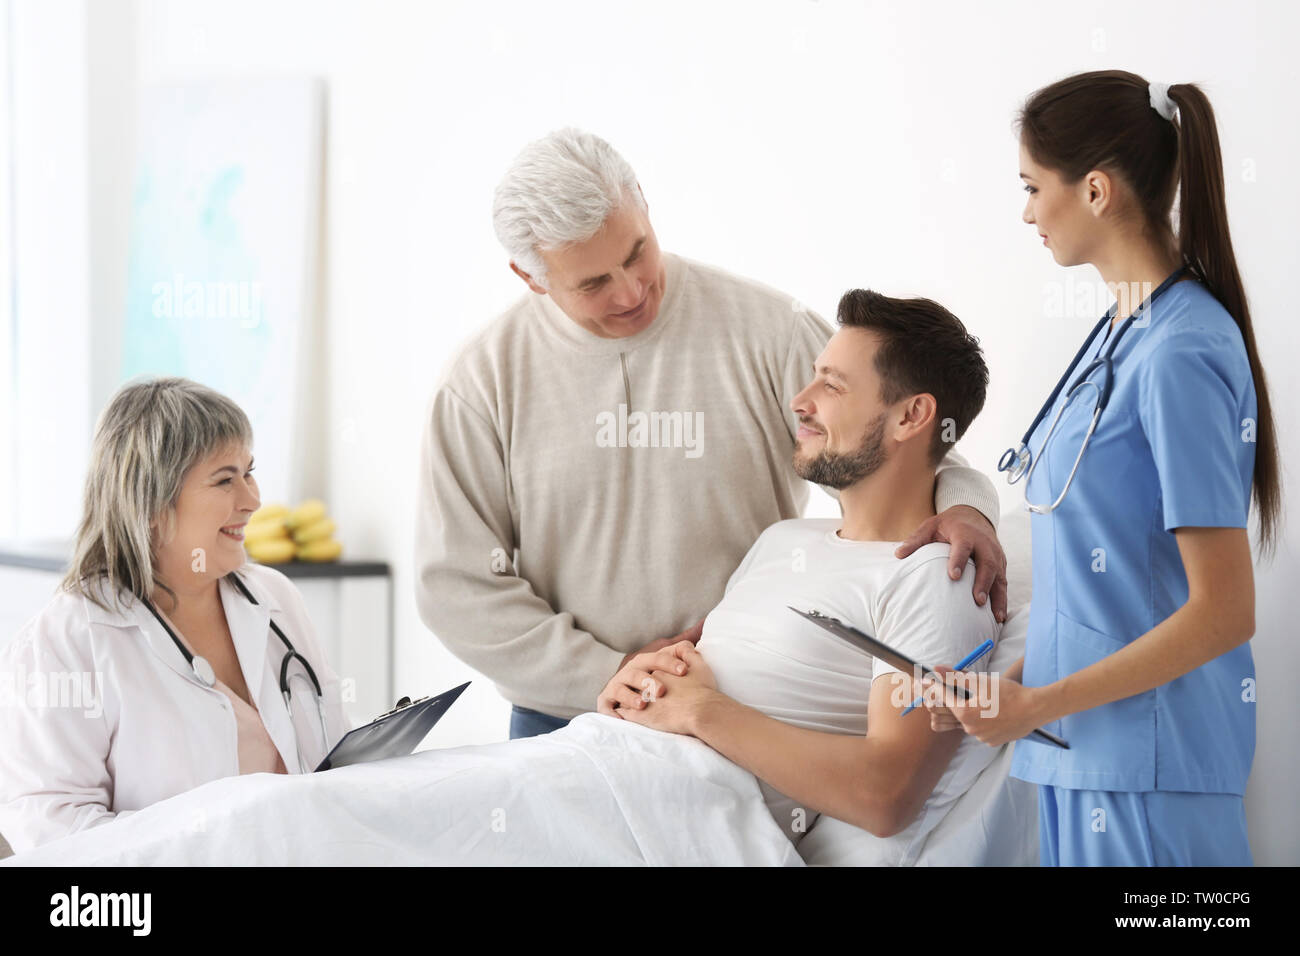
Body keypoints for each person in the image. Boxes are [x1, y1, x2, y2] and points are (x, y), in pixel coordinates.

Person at [415, 127, 1010, 740]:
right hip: (564, 718)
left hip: (741, 710)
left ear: (644, 203)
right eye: (593, 284)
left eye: (636, 253)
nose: (631, 291)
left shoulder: (768, 329)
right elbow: (455, 584)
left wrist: (967, 510)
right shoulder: (480, 383)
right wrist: (608, 671)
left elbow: (909, 448)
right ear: (531, 276)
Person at [923, 71, 1279, 866]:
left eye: (1032, 187)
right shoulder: (1123, 334)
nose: (1026, 213)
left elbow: (1224, 610)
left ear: (1094, 191)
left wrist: (1039, 704)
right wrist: (1012, 692)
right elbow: (1111, 597)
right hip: (1084, 759)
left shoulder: (1180, 350)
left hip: (1148, 777)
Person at [597, 290, 1004, 856]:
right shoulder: (783, 540)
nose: (798, 401)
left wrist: (699, 710)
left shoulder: (937, 577)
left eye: (831, 386)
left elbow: (886, 794)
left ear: (911, 416)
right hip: (593, 763)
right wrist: (632, 688)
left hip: (651, 819)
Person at [0, 378, 349, 853]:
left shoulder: (274, 597)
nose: (252, 500)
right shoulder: (67, 641)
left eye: (249, 473)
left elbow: (336, 757)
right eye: (225, 480)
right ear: (149, 502)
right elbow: (55, 833)